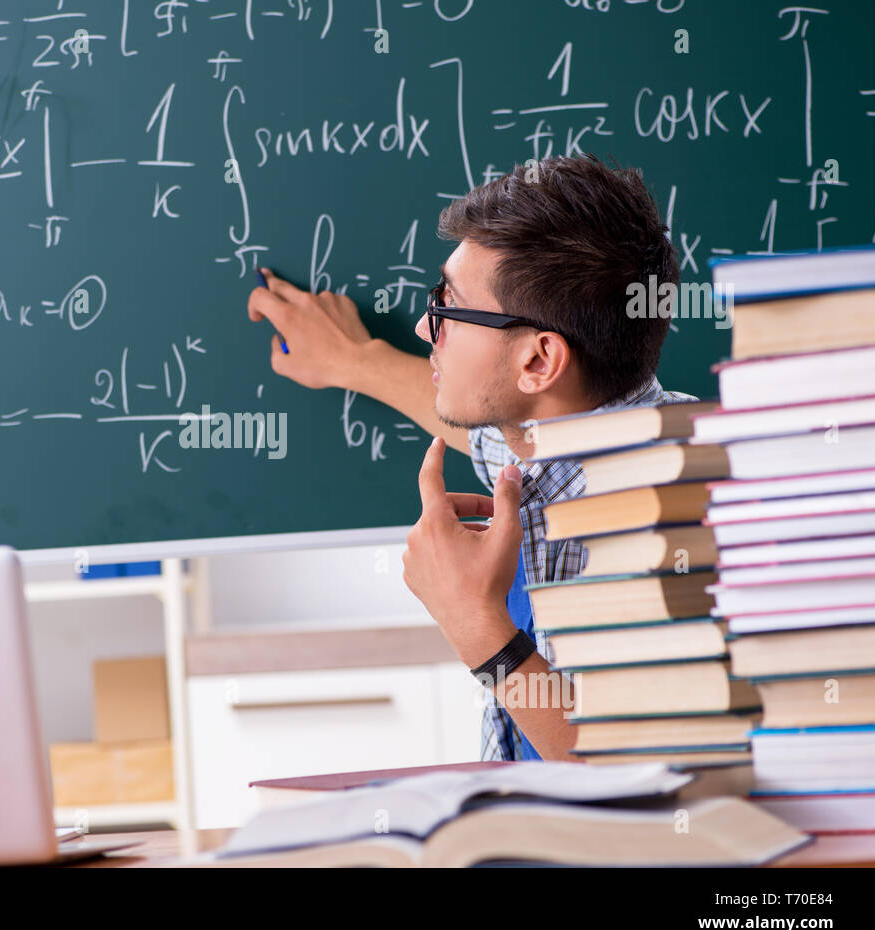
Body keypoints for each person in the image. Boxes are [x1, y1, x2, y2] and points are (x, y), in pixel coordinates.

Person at [245, 154, 698, 762]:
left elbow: (639, 775)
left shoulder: (670, 518)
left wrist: (479, 628)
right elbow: (472, 425)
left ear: (539, 361)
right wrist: (351, 359)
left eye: (448, 308)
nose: (429, 330)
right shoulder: (545, 443)